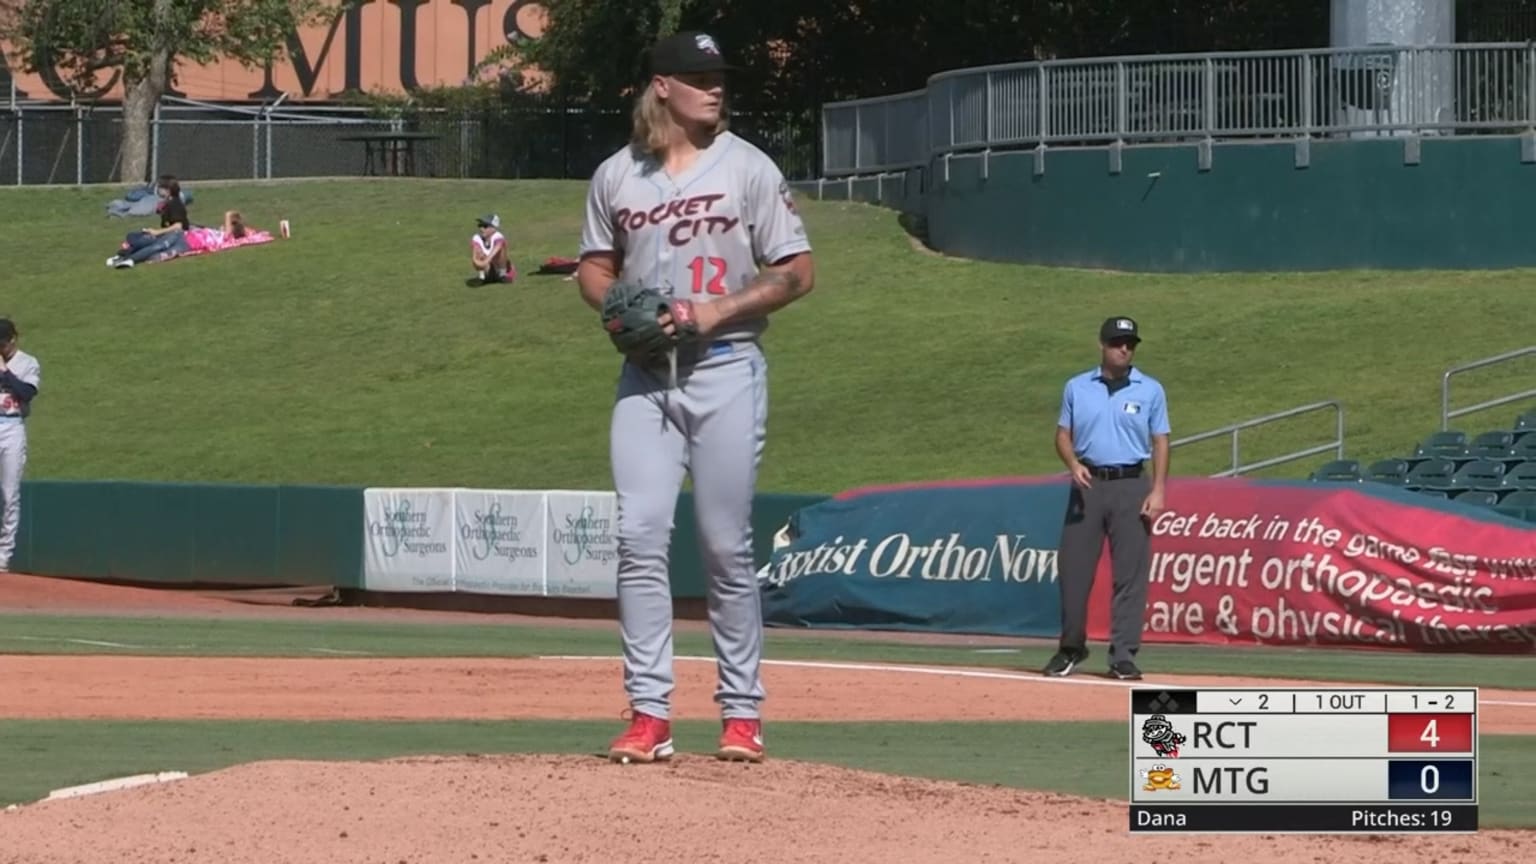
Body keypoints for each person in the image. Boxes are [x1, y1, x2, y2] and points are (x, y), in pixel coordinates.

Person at [575, 29, 815, 765]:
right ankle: (650, 713)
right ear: (661, 87)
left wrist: (715, 311)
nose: (714, 86)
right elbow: (594, 268)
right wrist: (615, 306)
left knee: (723, 545)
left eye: (718, 75)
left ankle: (742, 714)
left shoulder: (747, 168)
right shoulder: (618, 175)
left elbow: (798, 270)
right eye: (696, 75)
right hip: (646, 377)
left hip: (726, 365)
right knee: (639, 538)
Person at [1044, 316, 1170, 681]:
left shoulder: (1150, 389)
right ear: (1102, 344)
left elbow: (1160, 439)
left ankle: (1123, 655)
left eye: (1130, 343)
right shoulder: (1078, 387)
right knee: (1073, 570)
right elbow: (1062, 434)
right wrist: (1072, 463)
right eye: (1117, 342)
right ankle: (1071, 647)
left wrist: (1159, 489)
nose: (1124, 349)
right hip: (1088, 483)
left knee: (1130, 574)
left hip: (1131, 482)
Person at [0, 318, 40, 573]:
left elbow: (26, 392)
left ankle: (3, 556)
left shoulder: (28, 362)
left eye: (3, 342)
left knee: (9, 493)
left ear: (14, 339)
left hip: (12, 428)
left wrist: (4, 373)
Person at [107, 177, 192, 268]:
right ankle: (121, 255)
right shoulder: (167, 203)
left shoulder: (175, 204)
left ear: (168, 190)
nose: (158, 190)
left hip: (176, 233)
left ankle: (131, 260)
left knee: (157, 246)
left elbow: (178, 226)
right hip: (167, 232)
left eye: (160, 188)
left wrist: (157, 232)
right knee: (137, 237)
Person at [470, 214, 515, 284]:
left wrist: (484, 262)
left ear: (493, 228)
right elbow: (475, 258)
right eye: (480, 225)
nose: (481, 229)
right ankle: (482, 277)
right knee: (478, 251)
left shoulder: (498, 237)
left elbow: (498, 248)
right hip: (489, 270)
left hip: (501, 268)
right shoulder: (476, 238)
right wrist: (478, 263)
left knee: (501, 249)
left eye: (485, 226)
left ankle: (502, 275)